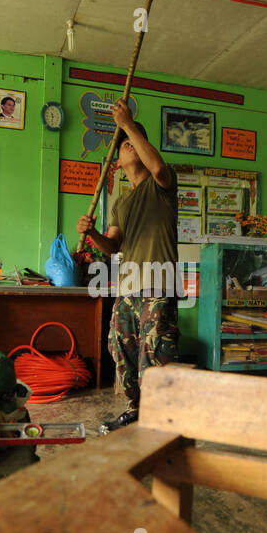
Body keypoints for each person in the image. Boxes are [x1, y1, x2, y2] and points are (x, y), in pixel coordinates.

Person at [76, 99, 179, 432]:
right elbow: (113, 245)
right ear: (117, 163)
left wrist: (129, 125)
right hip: (130, 286)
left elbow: (159, 168)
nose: (130, 146)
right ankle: (137, 408)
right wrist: (92, 233)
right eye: (124, 144)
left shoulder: (161, 184)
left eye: (134, 141)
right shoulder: (122, 201)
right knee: (119, 346)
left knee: (156, 350)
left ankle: (160, 415)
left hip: (159, 283)